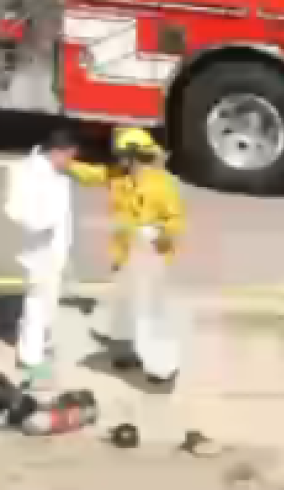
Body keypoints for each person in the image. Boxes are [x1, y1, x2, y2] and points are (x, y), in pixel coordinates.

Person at [68, 127, 186, 388]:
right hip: (124, 256)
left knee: (149, 314)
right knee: (122, 310)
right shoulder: (119, 177)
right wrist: (67, 165)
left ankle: (162, 368)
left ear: (134, 156)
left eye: (122, 155)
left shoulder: (161, 185)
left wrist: (159, 234)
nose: (118, 160)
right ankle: (126, 353)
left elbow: (176, 221)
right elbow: (92, 175)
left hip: (150, 258)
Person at [2, 129, 82, 383]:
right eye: (69, 157)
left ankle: (39, 345)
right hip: (39, 252)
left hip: (53, 250)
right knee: (37, 304)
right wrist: (46, 222)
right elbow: (24, 214)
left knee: (47, 303)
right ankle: (30, 358)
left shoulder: (52, 173)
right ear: (57, 152)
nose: (70, 163)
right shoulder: (32, 174)